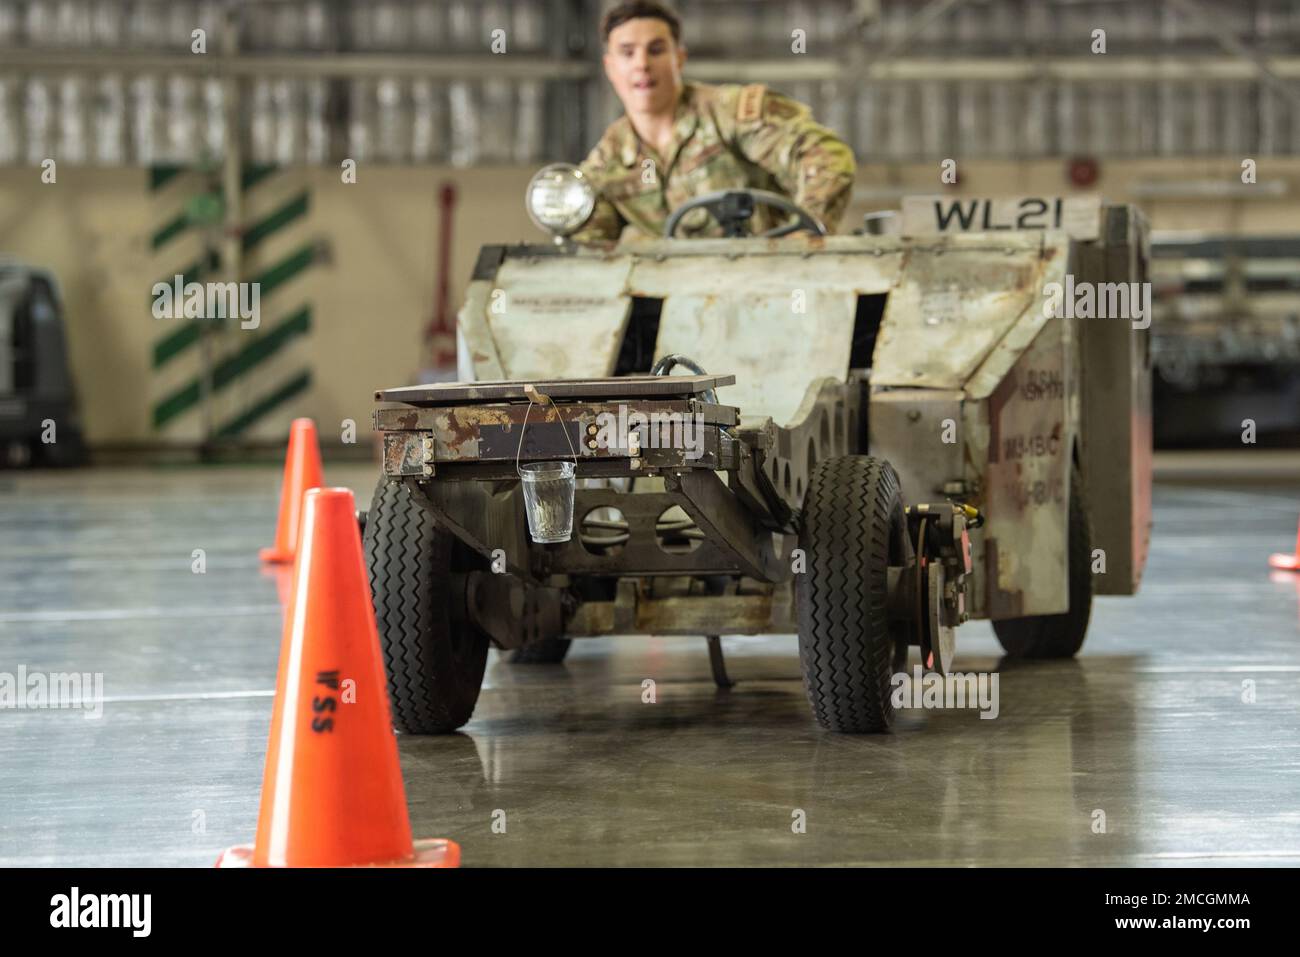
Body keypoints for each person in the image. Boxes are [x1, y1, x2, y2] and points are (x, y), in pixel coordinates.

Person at [570, 0, 857, 246]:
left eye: (656, 50)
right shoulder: (607, 163)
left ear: (679, 58)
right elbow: (590, 249)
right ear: (609, 66)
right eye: (627, 52)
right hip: (673, 297)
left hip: (767, 284)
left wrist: (803, 239)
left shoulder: (730, 113)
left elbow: (827, 156)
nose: (642, 64)